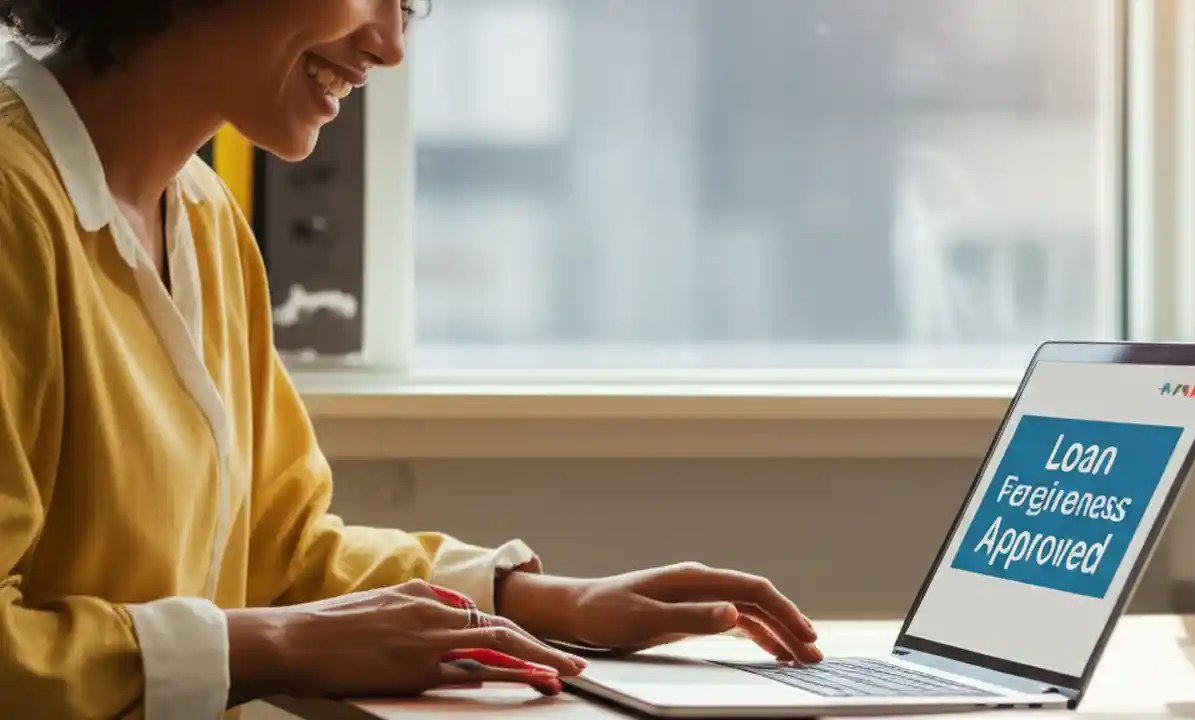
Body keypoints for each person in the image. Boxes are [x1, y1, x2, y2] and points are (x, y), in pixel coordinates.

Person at [0, 1, 824, 718]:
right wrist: (282, 643)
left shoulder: (204, 219)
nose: (391, 44)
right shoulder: (11, 207)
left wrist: (548, 601)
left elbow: (277, 552)